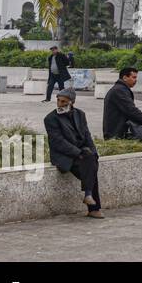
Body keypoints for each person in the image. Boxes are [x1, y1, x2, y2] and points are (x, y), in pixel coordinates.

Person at [43, 87, 104, 218]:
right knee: (90, 168)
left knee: (90, 160)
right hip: (64, 155)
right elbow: (58, 142)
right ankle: (92, 206)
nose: (60, 104)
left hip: (82, 154)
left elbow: (87, 135)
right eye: (58, 101)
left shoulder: (80, 114)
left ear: (72, 102)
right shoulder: (50, 118)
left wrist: (93, 152)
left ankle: (89, 197)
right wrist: (79, 153)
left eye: (63, 102)